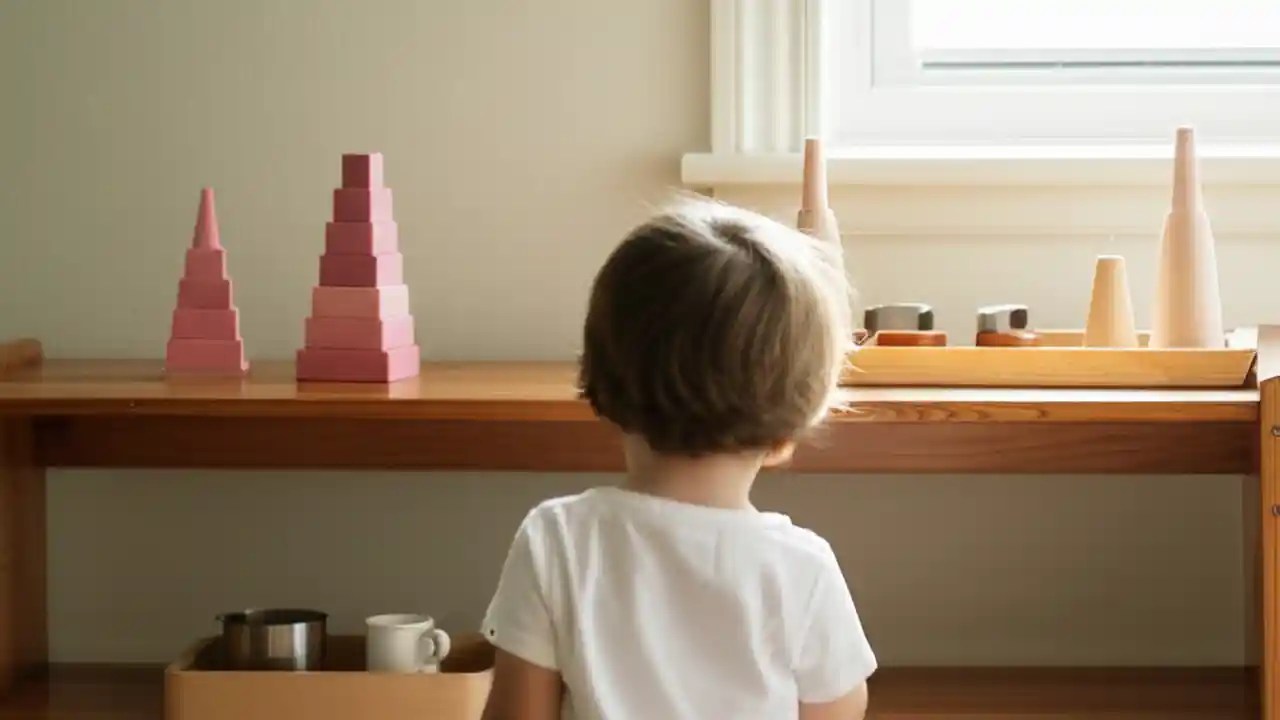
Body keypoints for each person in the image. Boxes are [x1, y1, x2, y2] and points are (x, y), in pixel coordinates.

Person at [480, 198, 875, 720]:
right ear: (786, 434)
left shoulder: (556, 539)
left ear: (604, 382)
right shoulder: (803, 569)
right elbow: (838, 711)